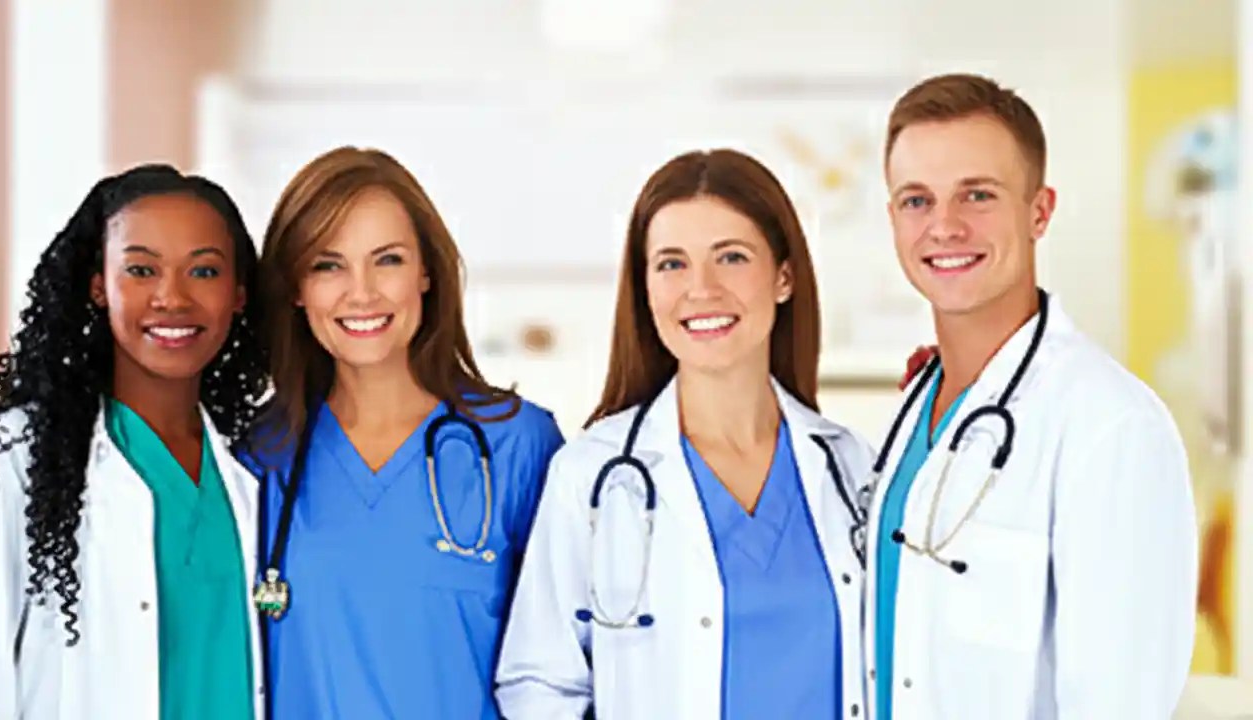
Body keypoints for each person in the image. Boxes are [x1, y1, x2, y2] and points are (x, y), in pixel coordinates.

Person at [496, 148, 874, 719]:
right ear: (645, 289)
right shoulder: (593, 476)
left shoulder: (850, 468)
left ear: (784, 275)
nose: (701, 289)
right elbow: (541, 686)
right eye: (672, 263)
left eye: (731, 257)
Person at [867, 73, 1197, 718]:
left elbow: (1117, 703)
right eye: (916, 200)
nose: (944, 226)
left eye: (978, 195)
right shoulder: (916, 407)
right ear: (893, 219)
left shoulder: (1110, 425)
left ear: (1039, 211)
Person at [238, 146, 564, 719]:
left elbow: (564, 675)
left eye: (386, 260)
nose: (361, 292)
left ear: (426, 272)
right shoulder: (257, 458)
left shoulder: (518, 446)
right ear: (295, 288)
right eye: (327, 264)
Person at [0, 165, 269, 719]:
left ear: (238, 295)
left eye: (204, 271)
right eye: (140, 270)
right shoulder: (8, 459)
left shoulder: (252, 468)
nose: (171, 298)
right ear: (98, 285)